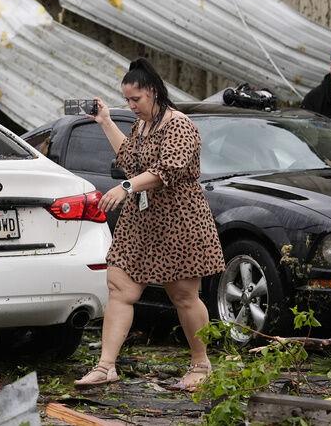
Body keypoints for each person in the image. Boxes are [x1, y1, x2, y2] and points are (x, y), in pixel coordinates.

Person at [74, 58, 225, 391]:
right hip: (141, 219)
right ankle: (105, 366)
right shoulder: (141, 126)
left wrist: (126, 187)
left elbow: (166, 170)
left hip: (179, 218)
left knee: (183, 295)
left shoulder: (179, 125)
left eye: (136, 99)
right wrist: (105, 121)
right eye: (127, 100)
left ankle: (201, 364)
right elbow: (129, 159)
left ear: (154, 92)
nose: (131, 105)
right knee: (119, 286)